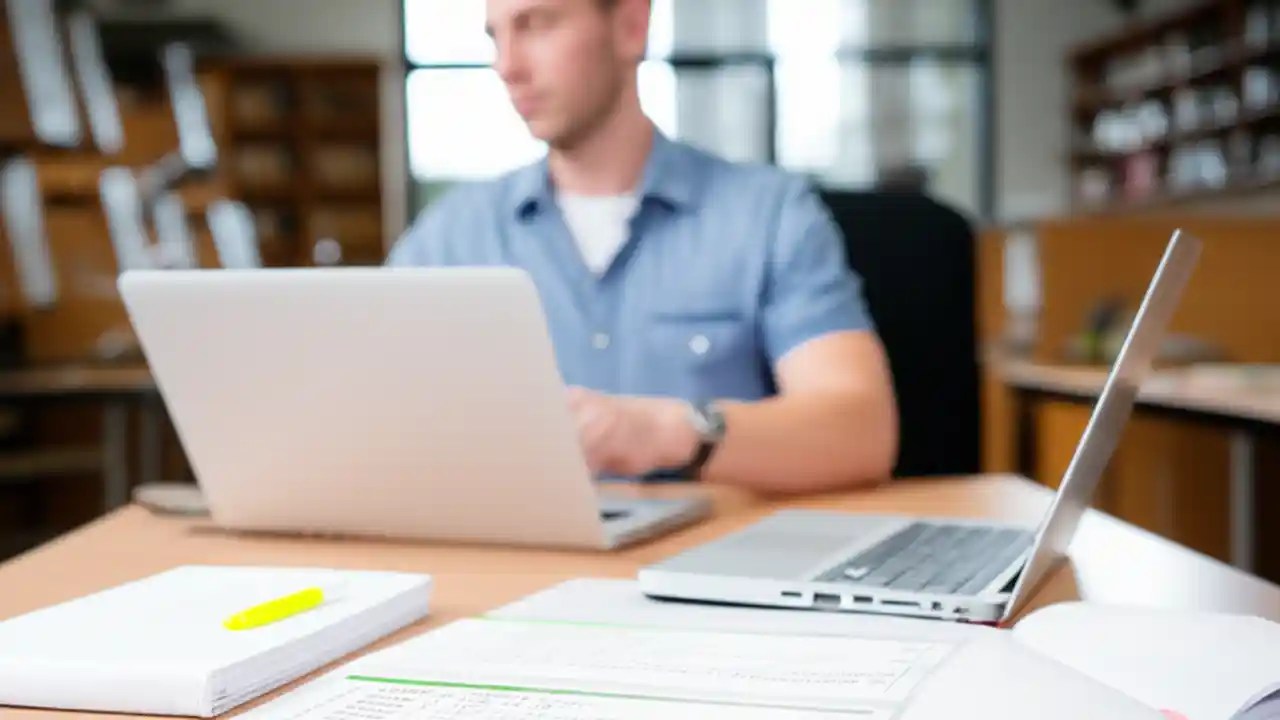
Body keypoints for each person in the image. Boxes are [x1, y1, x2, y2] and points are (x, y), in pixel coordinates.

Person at [388, 0, 898, 494]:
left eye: (537, 24)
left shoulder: (768, 214)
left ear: (632, 25)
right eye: (495, 36)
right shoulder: (449, 236)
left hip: (711, 564)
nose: (507, 66)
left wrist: (668, 433)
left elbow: (861, 432)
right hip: (518, 567)